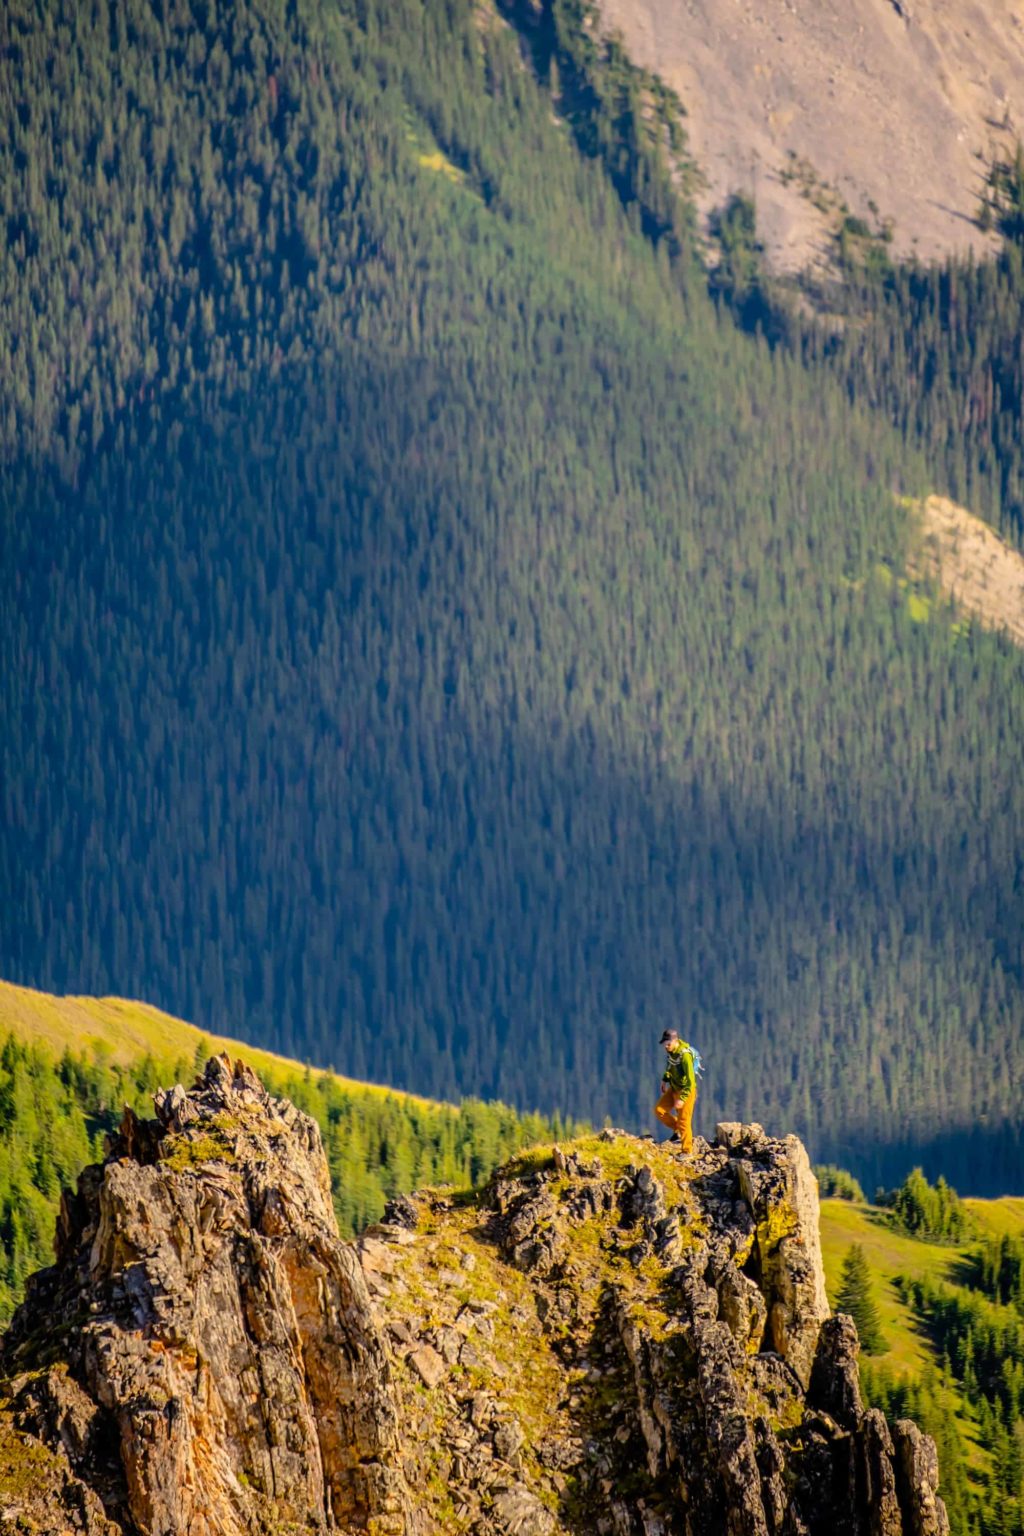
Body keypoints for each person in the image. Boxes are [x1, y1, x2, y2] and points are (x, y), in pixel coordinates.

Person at [654, 1029, 698, 1151]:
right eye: (664, 1044)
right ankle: (677, 1129)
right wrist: (665, 1079)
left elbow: (691, 1081)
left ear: (676, 1041)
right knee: (659, 1110)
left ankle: (687, 1150)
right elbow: (670, 1066)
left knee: (684, 1121)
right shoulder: (672, 1052)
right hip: (674, 1088)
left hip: (686, 1091)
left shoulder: (685, 1056)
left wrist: (682, 1098)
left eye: (668, 1044)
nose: (666, 1047)